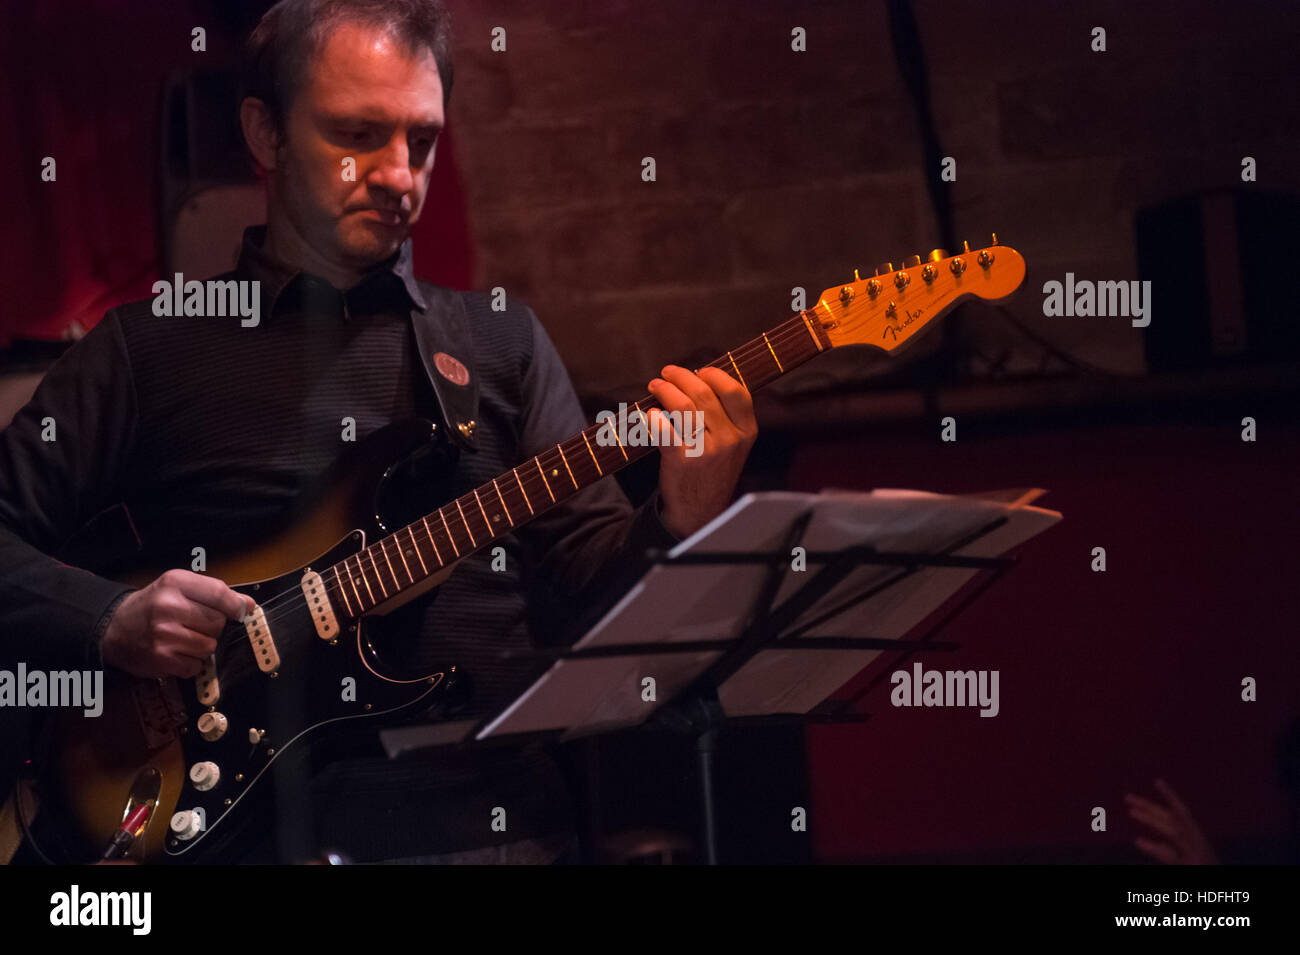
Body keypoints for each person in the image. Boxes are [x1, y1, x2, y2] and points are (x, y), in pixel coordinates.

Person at [0, 0, 756, 864]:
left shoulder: (498, 344)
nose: (400, 176)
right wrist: (111, 619)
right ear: (265, 133)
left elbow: (596, 601)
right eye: (357, 134)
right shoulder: (149, 351)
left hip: (495, 828)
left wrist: (679, 522)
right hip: (240, 834)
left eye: (422, 142)